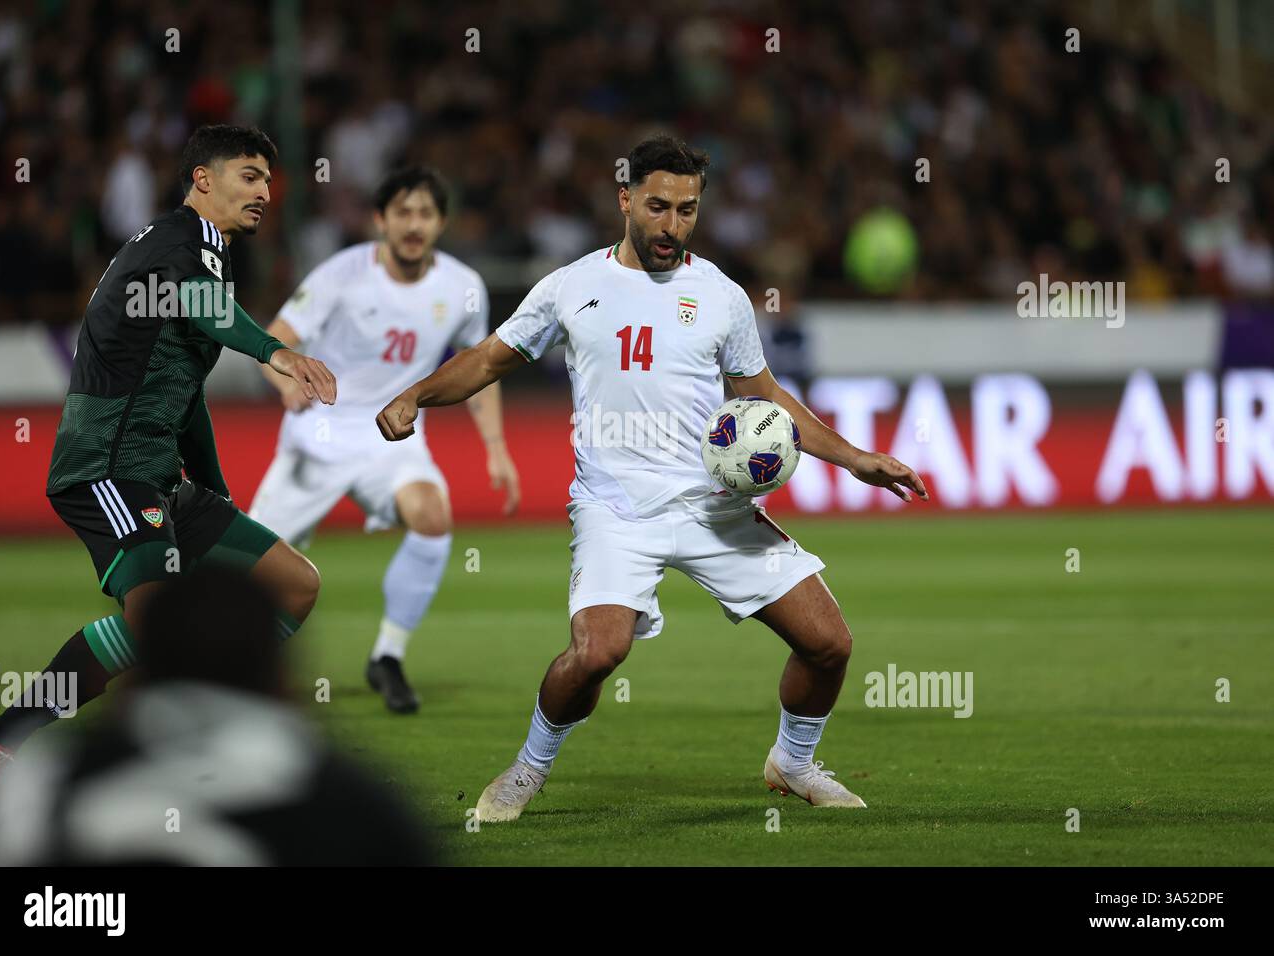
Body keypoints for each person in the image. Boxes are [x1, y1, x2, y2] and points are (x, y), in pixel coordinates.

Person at [376, 134, 928, 821]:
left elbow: (764, 397)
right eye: (660, 207)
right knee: (596, 653)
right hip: (617, 509)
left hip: (712, 506)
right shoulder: (572, 286)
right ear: (626, 198)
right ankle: (528, 767)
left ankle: (793, 761)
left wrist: (856, 459)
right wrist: (415, 396)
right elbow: (488, 360)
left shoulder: (720, 295)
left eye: (688, 211)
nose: (673, 226)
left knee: (829, 644)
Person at [0, 125, 337, 794]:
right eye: (248, 176)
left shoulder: (200, 253)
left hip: (159, 471)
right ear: (203, 179)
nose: (264, 191)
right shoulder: (183, 243)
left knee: (295, 584)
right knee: (159, 622)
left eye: (267, 180)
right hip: (108, 463)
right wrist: (276, 352)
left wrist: (217, 490)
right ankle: (3, 743)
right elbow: (213, 311)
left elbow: (183, 391)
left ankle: (218, 721)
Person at [249, 166, 520, 714]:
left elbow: (479, 371)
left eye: (425, 213)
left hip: (390, 434)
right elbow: (273, 341)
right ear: (380, 220)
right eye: (402, 212)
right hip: (317, 433)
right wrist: (284, 383)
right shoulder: (340, 274)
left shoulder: (462, 287)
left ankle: (387, 657)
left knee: (432, 515)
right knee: (255, 566)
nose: (413, 224)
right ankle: (236, 669)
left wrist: (496, 447)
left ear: (441, 222)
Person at [0, 567, 435, 865]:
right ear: (279, 677)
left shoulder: (41, 785)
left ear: (136, 674)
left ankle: (3, 738)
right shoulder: (352, 806)